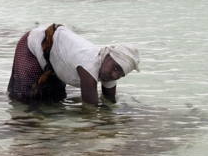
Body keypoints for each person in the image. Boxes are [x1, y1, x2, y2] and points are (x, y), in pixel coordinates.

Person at [7, 23, 139, 106]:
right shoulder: (89, 65)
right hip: (34, 44)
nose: (114, 75)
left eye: (120, 74)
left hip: (55, 53)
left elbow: (109, 101)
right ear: (107, 56)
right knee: (25, 100)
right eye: (115, 68)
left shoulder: (109, 72)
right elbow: (90, 109)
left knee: (55, 100)